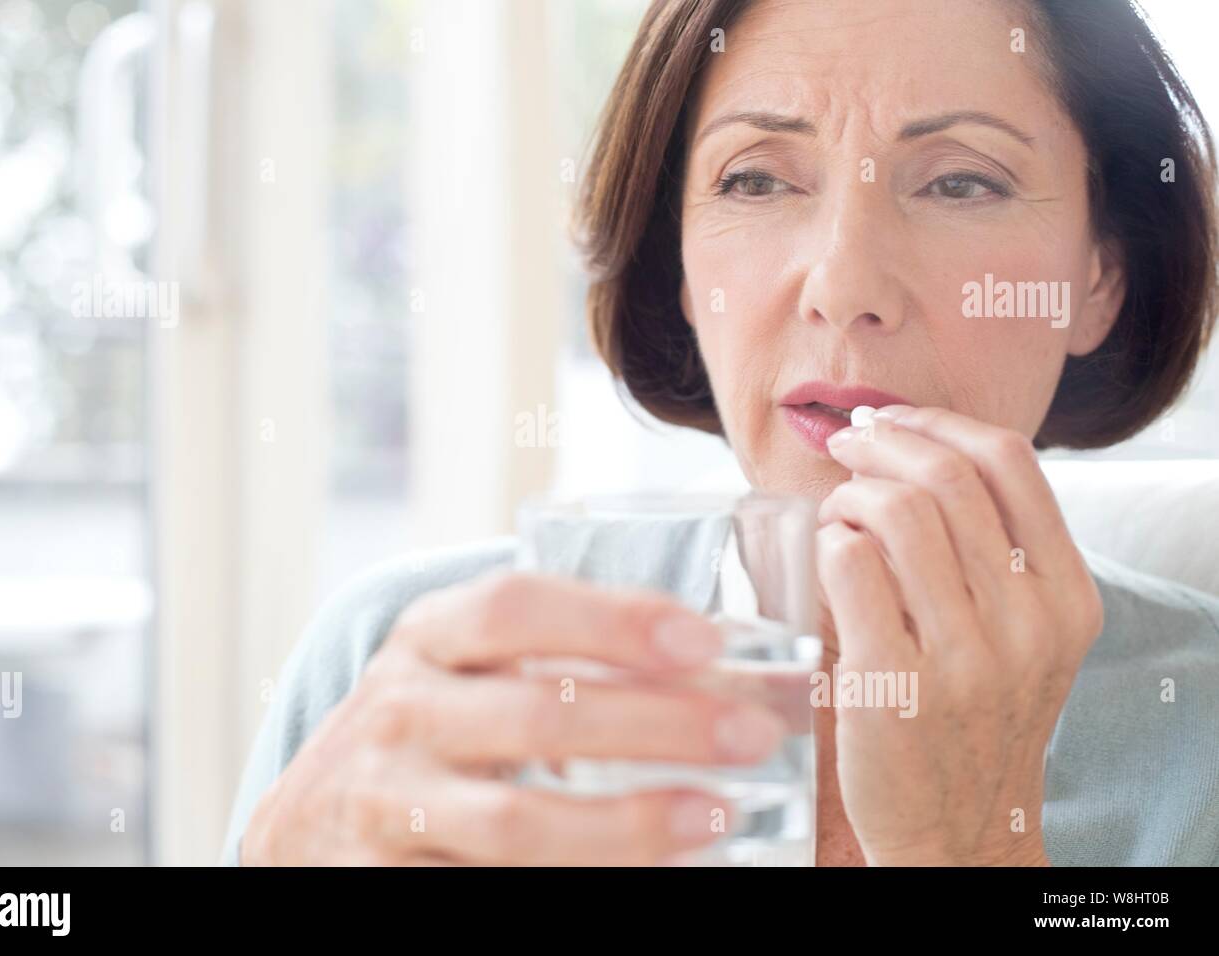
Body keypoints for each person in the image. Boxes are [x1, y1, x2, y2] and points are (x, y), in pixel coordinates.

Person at [222, 0, 1219, 866]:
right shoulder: (402, 664)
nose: (843, 284)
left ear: (1099, 280)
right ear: (683, 269)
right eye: (755, 180)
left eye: (960, 183)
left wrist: (973, 849)